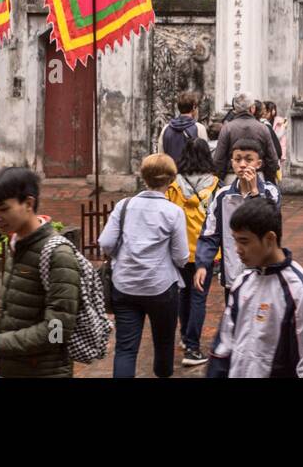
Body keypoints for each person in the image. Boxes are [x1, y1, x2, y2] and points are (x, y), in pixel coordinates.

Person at [0, 167, 80, 377]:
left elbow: (58, 331)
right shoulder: (16, 244)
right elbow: (15, 312)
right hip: (8, 368)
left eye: (3, 209)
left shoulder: (58, 254)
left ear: (29, 203)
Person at [207, 196, 303, 378]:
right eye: (235, 240)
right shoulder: (242, 283)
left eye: (244, 241)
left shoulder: (300, 292)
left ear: (269, 239)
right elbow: (223, 346)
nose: (237, 249)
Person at [100, 153, 188, 379]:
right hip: (161, 287)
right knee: (164, 343)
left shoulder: (124, 205)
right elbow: (181, 257)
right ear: (171, 180)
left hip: (125, 284)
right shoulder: (174, 212)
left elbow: (106, 243)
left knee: (126, 348)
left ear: (144, 177)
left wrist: (124, 255)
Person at [195, 140, 280, 296]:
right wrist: (202, 263)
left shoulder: (270, 192)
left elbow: (268, 224)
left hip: (262, 272)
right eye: (237, 159)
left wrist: (254, 191)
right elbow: (210, 234)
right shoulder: (223, 196)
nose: (242, 164)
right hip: (233, 273)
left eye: (248, 160)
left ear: (258, 163)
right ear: (231, 162)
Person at [165, 138, 220, 366]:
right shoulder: (215, 185)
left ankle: (185, 338)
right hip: (204, 251)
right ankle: (193, 347)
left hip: (180, 249)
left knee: (184, 294)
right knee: (199, 297)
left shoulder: (174, 184)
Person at [213, 92, 281, 183]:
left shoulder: (227, 128)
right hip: (257, 176)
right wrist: (268, 178)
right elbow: (272, 159)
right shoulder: (262, 128)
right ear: (252, 108)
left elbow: (218, 159)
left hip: (232, 177)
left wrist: (219, 179)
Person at [157, 91, 207, 167]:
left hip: (171, 175)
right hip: (191, 176)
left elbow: (161, 156)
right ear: (194, 107)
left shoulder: (166, 129)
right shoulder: (199, 128)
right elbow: (204, 157)